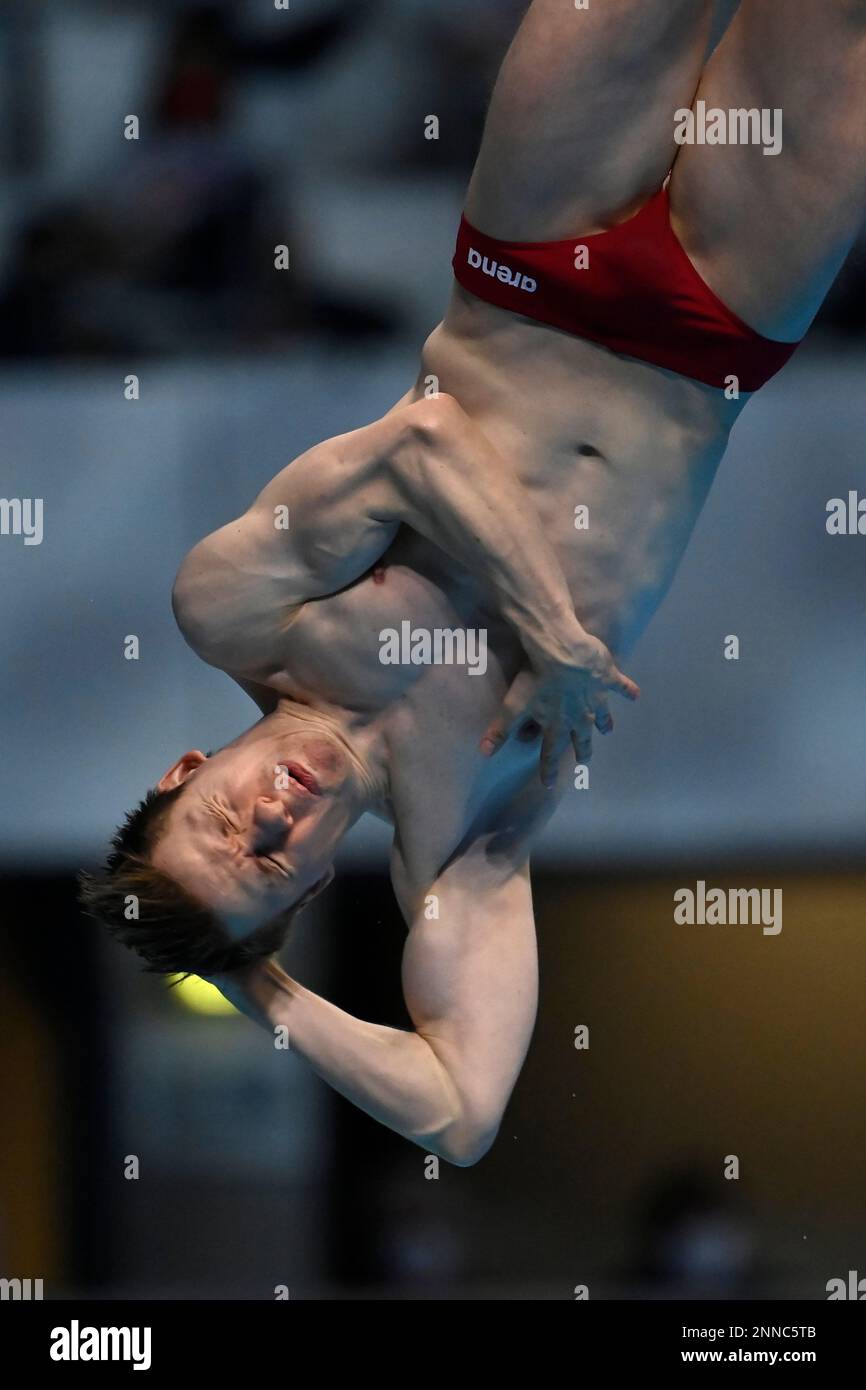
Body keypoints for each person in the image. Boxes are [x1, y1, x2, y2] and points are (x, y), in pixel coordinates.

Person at [81, 0, 866, 1164]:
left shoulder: (236, 611)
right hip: (720, 324)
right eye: (265, 867)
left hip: (532, 252)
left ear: (188, 769)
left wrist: (550, 635)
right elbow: (461, 1114)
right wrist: (258, 990)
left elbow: (424, 445)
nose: (265, 820)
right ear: (299, 901)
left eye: (216, 817)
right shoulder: (464, 842)